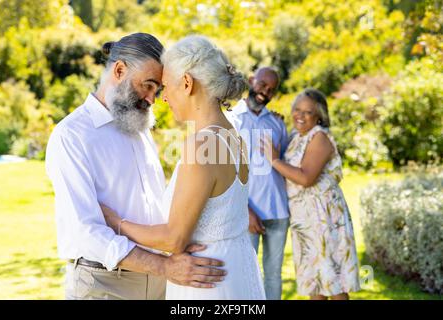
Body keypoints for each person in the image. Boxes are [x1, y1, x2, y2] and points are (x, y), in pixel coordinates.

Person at [45, 33, 227, 300]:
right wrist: (165, 266)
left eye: (158, 90)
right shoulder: (71, 135)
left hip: (161, 281)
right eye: (148, 85)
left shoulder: (138, 127)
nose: (152, 99)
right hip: (105, 284)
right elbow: (85, 232)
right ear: (119, 70)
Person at [100, 35, 266, 300]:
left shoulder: (202, 145)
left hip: (206, 282)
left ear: (187, 83)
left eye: (166, 87)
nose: (162, 98)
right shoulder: (232, 135)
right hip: (235, 269)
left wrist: (114, 222)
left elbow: (173, 239)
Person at [261, 88, 361, 300]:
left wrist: (274, 160)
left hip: (323, 217)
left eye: (307, 112)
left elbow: (306, 178)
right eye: (297, 110)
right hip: (304, 217)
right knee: (313, 280)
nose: (300, 115)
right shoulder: (297, 136)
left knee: (332, 280)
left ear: (319, 116)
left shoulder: (320, 138)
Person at [226, 67, 290, 300]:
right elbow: (225, 173)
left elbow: (284, 165)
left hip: (279, 212)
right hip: (246, 214)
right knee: (246, 275)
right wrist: (246, 210)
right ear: (251, 80)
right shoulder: (230, 120)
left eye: (271, 89)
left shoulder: (277, 124)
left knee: (273, 274)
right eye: (262, 84)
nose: (265, 91)